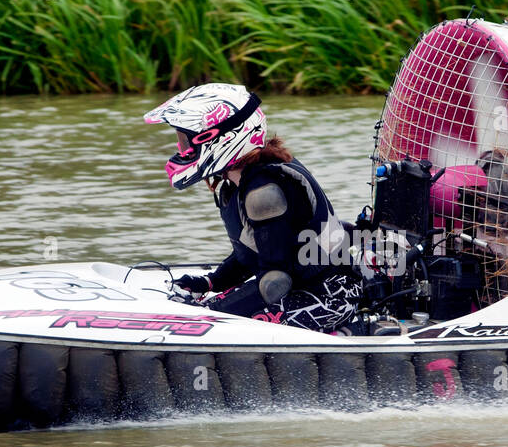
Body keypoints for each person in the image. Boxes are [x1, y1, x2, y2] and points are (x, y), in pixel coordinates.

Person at [145, 83, 361, 332]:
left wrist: (209, 312)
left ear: (219, 137)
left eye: (186, 142)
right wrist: (209, 282)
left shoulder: (264, 192)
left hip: (328, 298)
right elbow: (255, 255)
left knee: (212, 324)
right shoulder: (244, 179)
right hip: (311, 287)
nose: (182, 151)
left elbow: (274, 281)